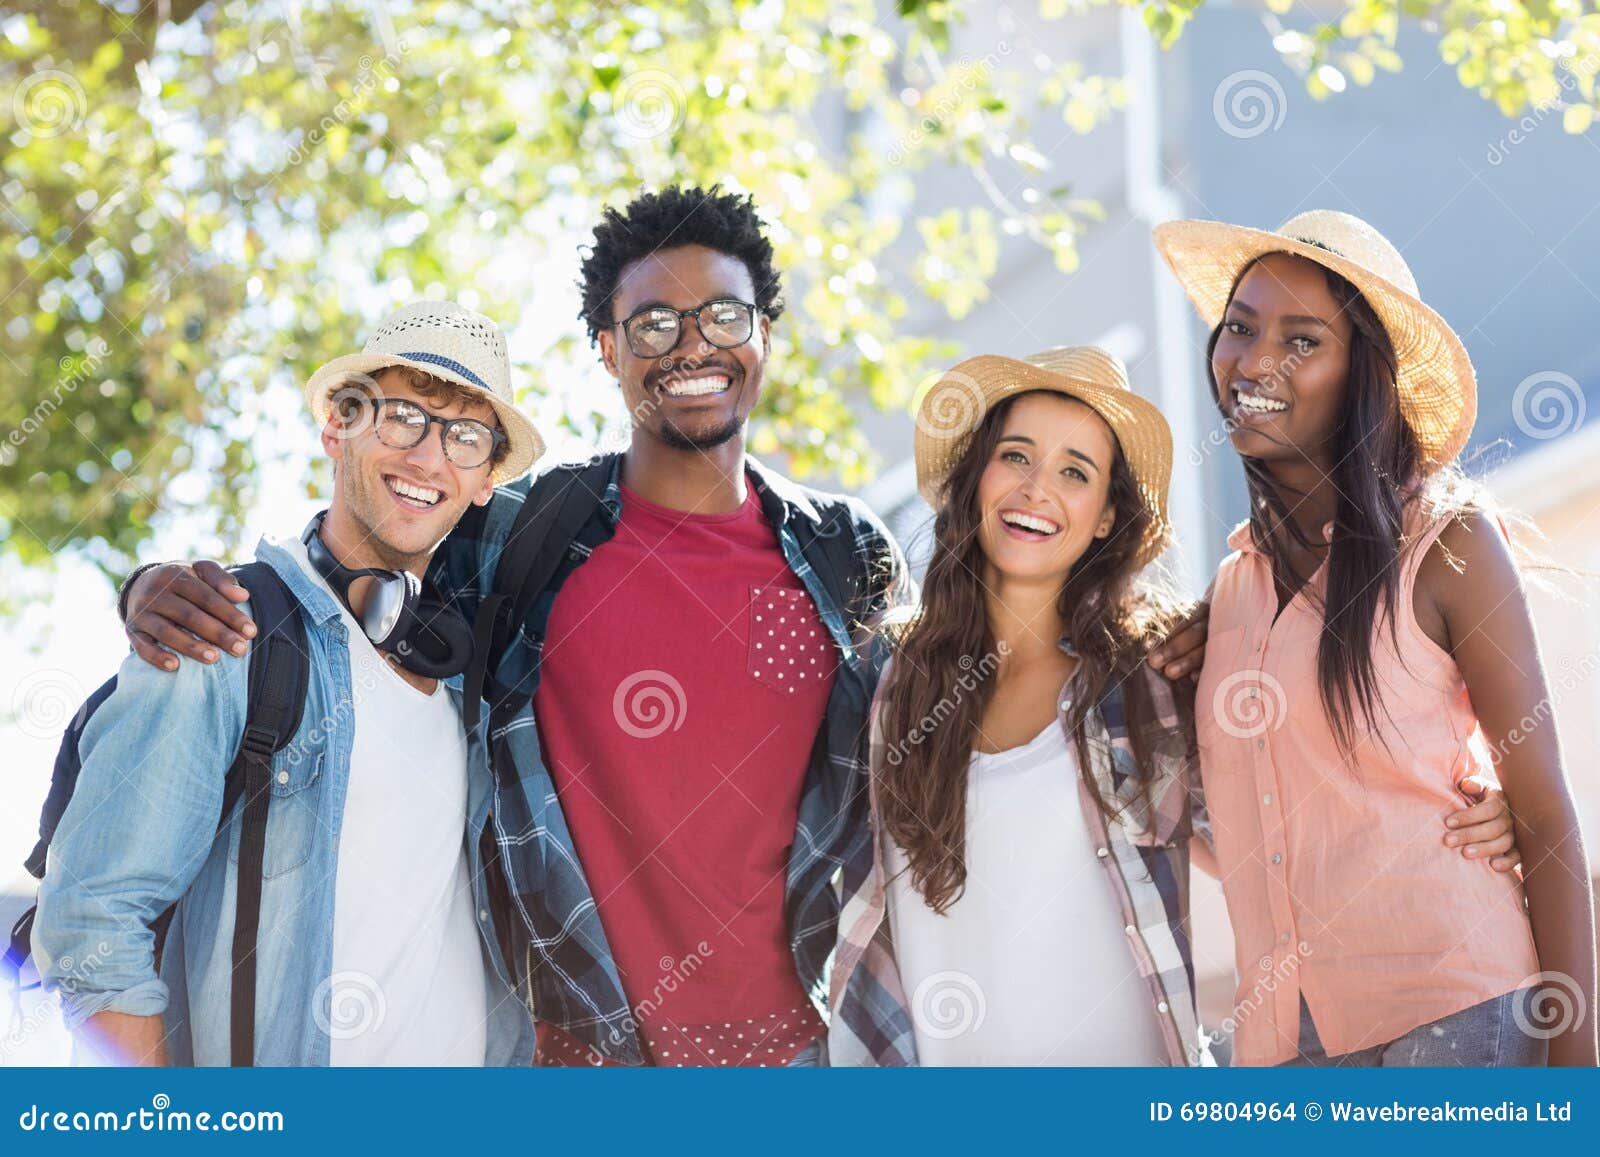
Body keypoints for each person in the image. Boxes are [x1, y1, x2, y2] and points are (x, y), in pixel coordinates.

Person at [117, 187, 920, 1066]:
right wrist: (150, 587)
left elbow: (921, 770)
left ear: (765, 332)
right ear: (609, 352)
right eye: (653, 323)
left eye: (725, 315)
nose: (692, 343)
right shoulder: (523, 533)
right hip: (569, 1061)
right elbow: (341, 583)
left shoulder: (846, 551)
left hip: (799, 1056)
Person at [827, 347, 1520, 1066]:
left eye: (1075, 472)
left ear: (1105, 518)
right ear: (978, 480)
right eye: (1016, 456)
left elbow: (1292, 822)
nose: (1037, 489)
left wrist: (1477, 803)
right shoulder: (891, 691)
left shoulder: (1148, 680)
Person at [32, 301, 543, 1065]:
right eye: (403, 415)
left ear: (484, 481)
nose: (431, 457)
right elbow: (91, 924)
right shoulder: (222, 630)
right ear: (338, 427)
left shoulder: (470, 682)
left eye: (465, 435)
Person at [1154, 209, 1598, 1066]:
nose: (1254, 362)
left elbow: (1544, 811)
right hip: (1282, 1046)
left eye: (1301, 340)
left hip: (1455, 1016)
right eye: (1240, 328)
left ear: (1363, 374)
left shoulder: (1448, 545)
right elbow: (1253, 842)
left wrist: (1579, 1085)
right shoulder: (1231, 593)